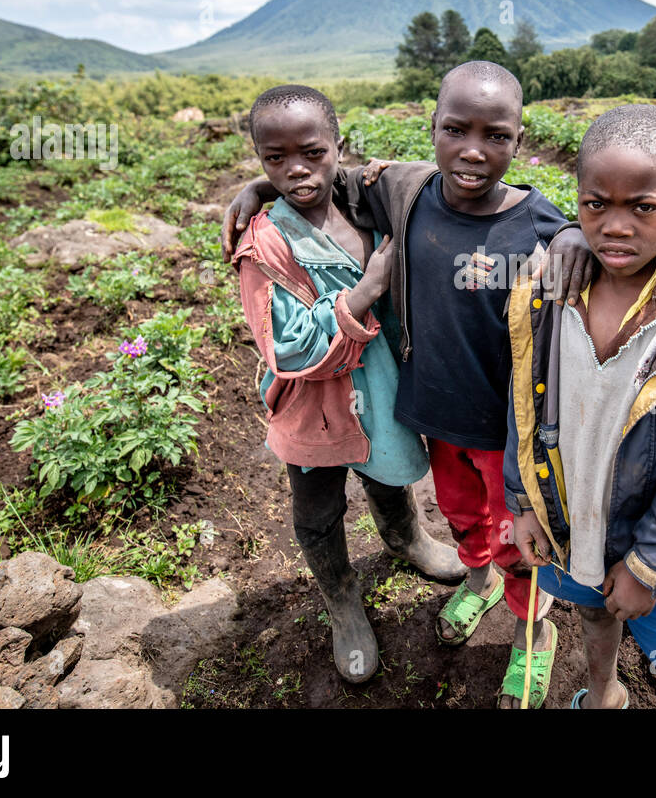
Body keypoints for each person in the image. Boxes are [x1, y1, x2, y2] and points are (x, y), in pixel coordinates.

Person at [222, 62, 594, 708]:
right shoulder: (410, 192)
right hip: (435, 418)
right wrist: (259, 186)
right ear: (432, 129)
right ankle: (474, 581)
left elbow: (581, 244)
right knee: (462, 516)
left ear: (520, 136)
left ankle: (534, 633)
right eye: (456, 129)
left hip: (506, 433)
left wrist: (571, 237)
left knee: (519, 537)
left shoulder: (536, 221)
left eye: (496, 136)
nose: (473, 151)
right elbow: (322, 172)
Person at [505, 104, 656, 709]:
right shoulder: (545, 297)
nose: (617, 226)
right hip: (569, 521)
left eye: (643, 207)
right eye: (596, 205)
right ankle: (604, 693)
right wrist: (525, 504)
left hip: (649, 543)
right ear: (579, 200)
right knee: (592, 614)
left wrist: (649, 566)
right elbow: (521, 410)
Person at [230, 83, 465, 685]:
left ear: (339, 144)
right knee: (316, 507)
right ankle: (342, 603)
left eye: (311, 151)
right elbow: (287, 347)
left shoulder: (364, 199)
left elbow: (439, 175)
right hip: (315, 407)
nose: (295, 169)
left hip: (380, 387)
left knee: (386, 472)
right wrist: (364, 291)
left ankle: (406, 539)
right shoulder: (265, 244)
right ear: (257, 156)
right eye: (273, 159)